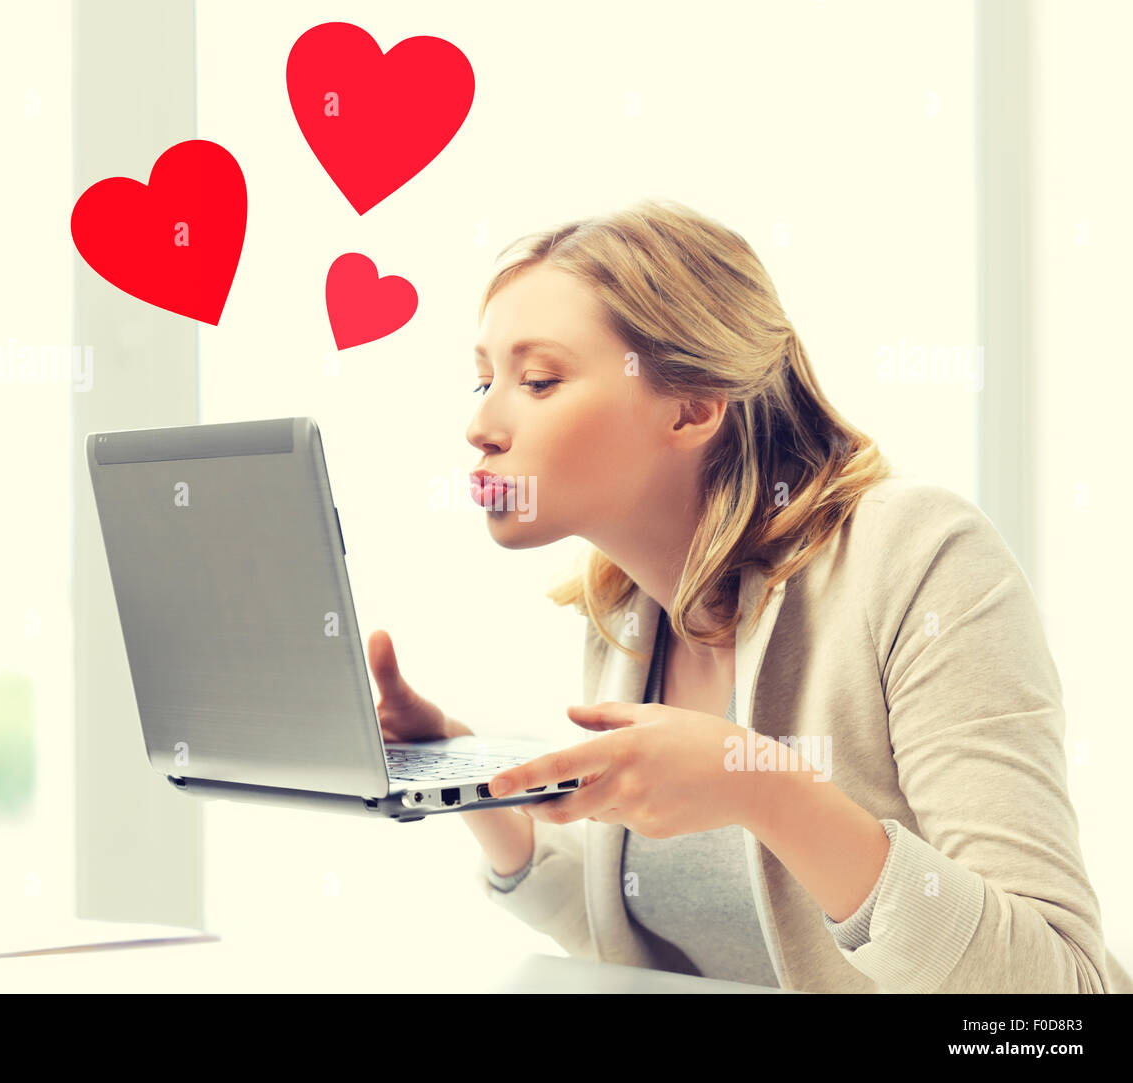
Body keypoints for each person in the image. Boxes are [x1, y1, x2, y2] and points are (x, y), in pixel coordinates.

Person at [367, 198, 1131, 993]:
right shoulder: (629, 613)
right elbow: (665, 943)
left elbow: (1058, 997)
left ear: (692, 407)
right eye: (483, 378)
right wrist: (465, 778)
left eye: (537, 380)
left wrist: (760, 787)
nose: (480, 424)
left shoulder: (920, 555)